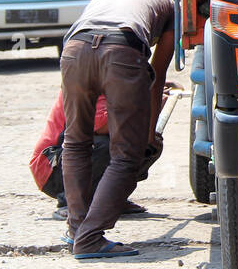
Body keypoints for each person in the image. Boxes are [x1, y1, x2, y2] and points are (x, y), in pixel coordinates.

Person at [59, 0, 174, 259]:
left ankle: (76, 229)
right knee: (126, 155)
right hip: (121, 49)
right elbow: (157, 76)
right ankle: (90, 238)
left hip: (74, 49)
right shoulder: (168, 5)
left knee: (75, 143)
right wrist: (148, 135)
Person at [29, 90, 161, 219]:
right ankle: (72, 202)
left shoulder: (117, 81)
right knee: (106, 145)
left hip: (70, 160)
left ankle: (111, 198)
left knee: (151, 143)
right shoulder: (89, 80)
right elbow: (101, 127)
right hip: (52, 168)